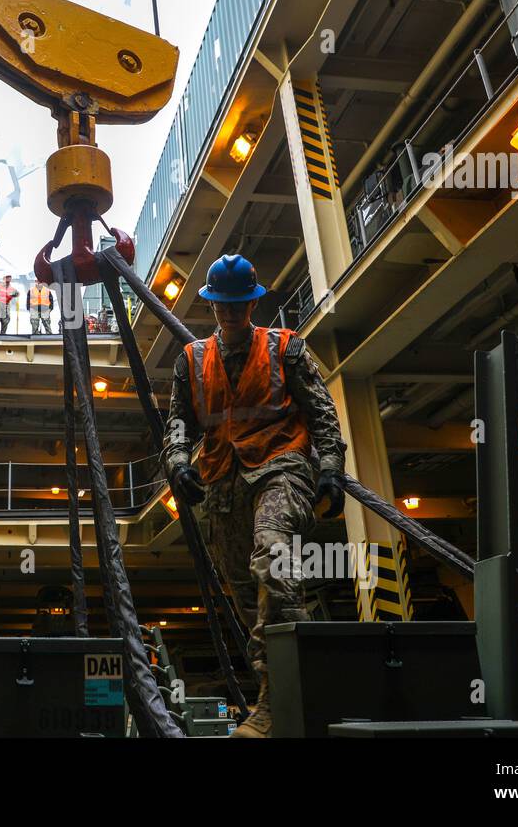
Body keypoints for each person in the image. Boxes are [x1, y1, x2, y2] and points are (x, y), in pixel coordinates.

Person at [161, 254, 346, 738]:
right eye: (222, 305)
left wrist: (331, 468)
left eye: (238, 305)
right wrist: (177, 461)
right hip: (221, 481)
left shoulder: (286, 348)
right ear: (211, 306)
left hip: (280, 467)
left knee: (274, 556)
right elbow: (178, 420)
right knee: (246, 594)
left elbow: (322, 411)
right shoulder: (192, 360)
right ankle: (294, 681)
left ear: (252, 303)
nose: (230, 314)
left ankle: (276, 704)